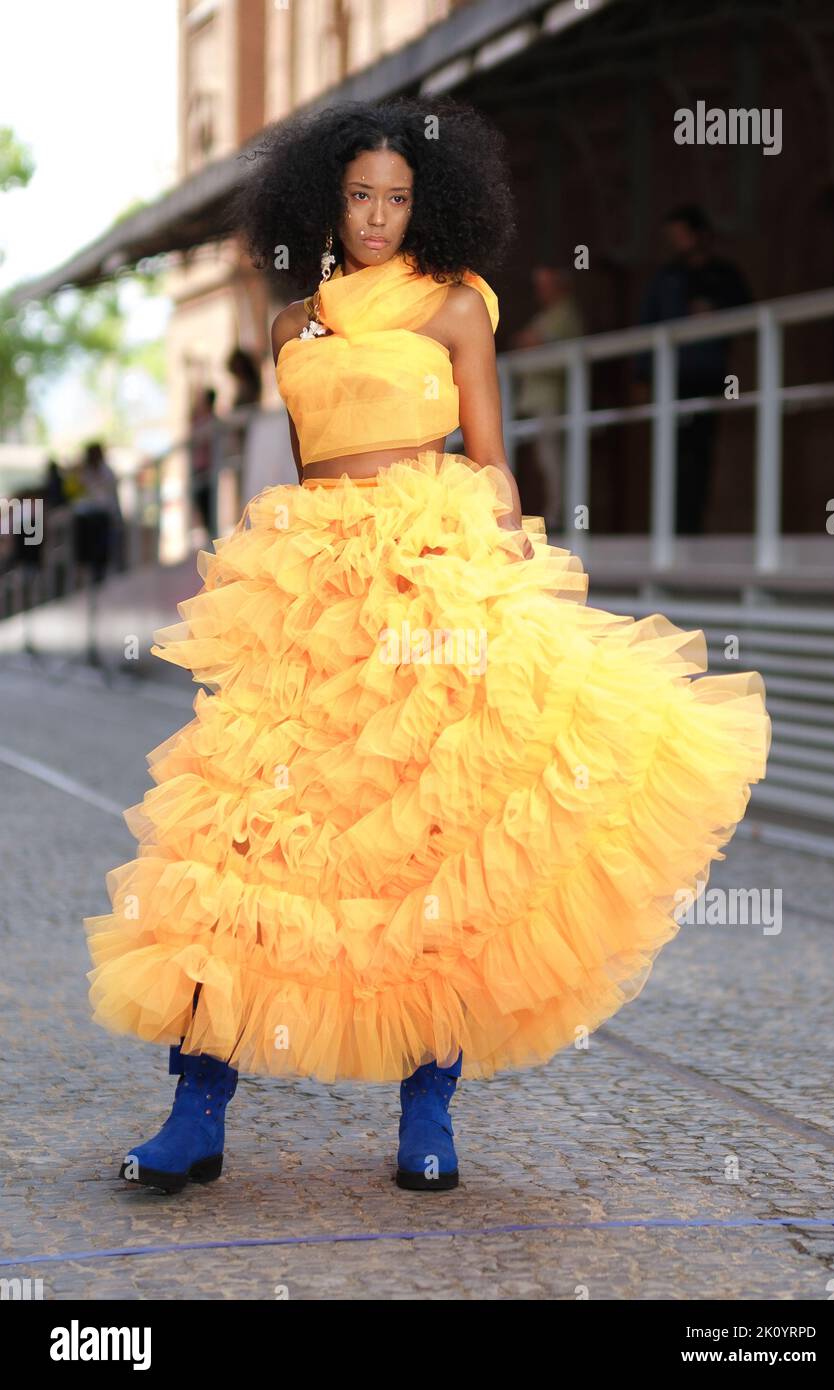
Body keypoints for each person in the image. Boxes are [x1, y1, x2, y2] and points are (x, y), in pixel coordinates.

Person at [83, 100, 771, 1197]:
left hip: (432, 579)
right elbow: (312, 469)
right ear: (323, 198)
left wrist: (505, 586)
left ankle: (426, 1111)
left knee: (434, 848)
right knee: (240, 842)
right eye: (358, 195)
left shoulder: (456, 309)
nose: (375, 215)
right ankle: (194, 1110)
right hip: (310, 597)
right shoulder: (288, 326)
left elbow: (489, 459)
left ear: (428, 204)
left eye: (397, 198)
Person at [635, 204, 752, 534]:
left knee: (699, 454)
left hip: (709, 376)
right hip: (670, 380)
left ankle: (691, 528)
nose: (676, 242)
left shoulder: (725, 275)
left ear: (700, 235)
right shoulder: (666, 277)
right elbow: (647, 327)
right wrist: (642, 377)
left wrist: (716, 312)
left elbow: (748, 313)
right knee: (669, 455)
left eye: (681, 235)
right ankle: (669, 528)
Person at [510, 266, 584, 531]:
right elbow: (523, 342)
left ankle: (560, 516)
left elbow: (534, 343)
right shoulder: (548, 315)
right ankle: (550, 514)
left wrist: (530, 341)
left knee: (553, 461)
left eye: (546, 284)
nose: (541, 290)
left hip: (554, 400)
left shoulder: (566, 313)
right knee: (542, 462)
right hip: (535, 400)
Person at [71, 441, 122, 585]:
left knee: (101, 545)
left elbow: (112, 497)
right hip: (85, 516)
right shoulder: (82, 472)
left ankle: (98, 570)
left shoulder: (107, 472)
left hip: (102, 516)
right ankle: (85, 568)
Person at [189, 386, 217, 537]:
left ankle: (211, 534)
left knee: (208, 504)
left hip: (207, 467)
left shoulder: (211, 421)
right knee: (201, 503)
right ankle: (209, 533)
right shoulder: (199, 419)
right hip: (199, 467)